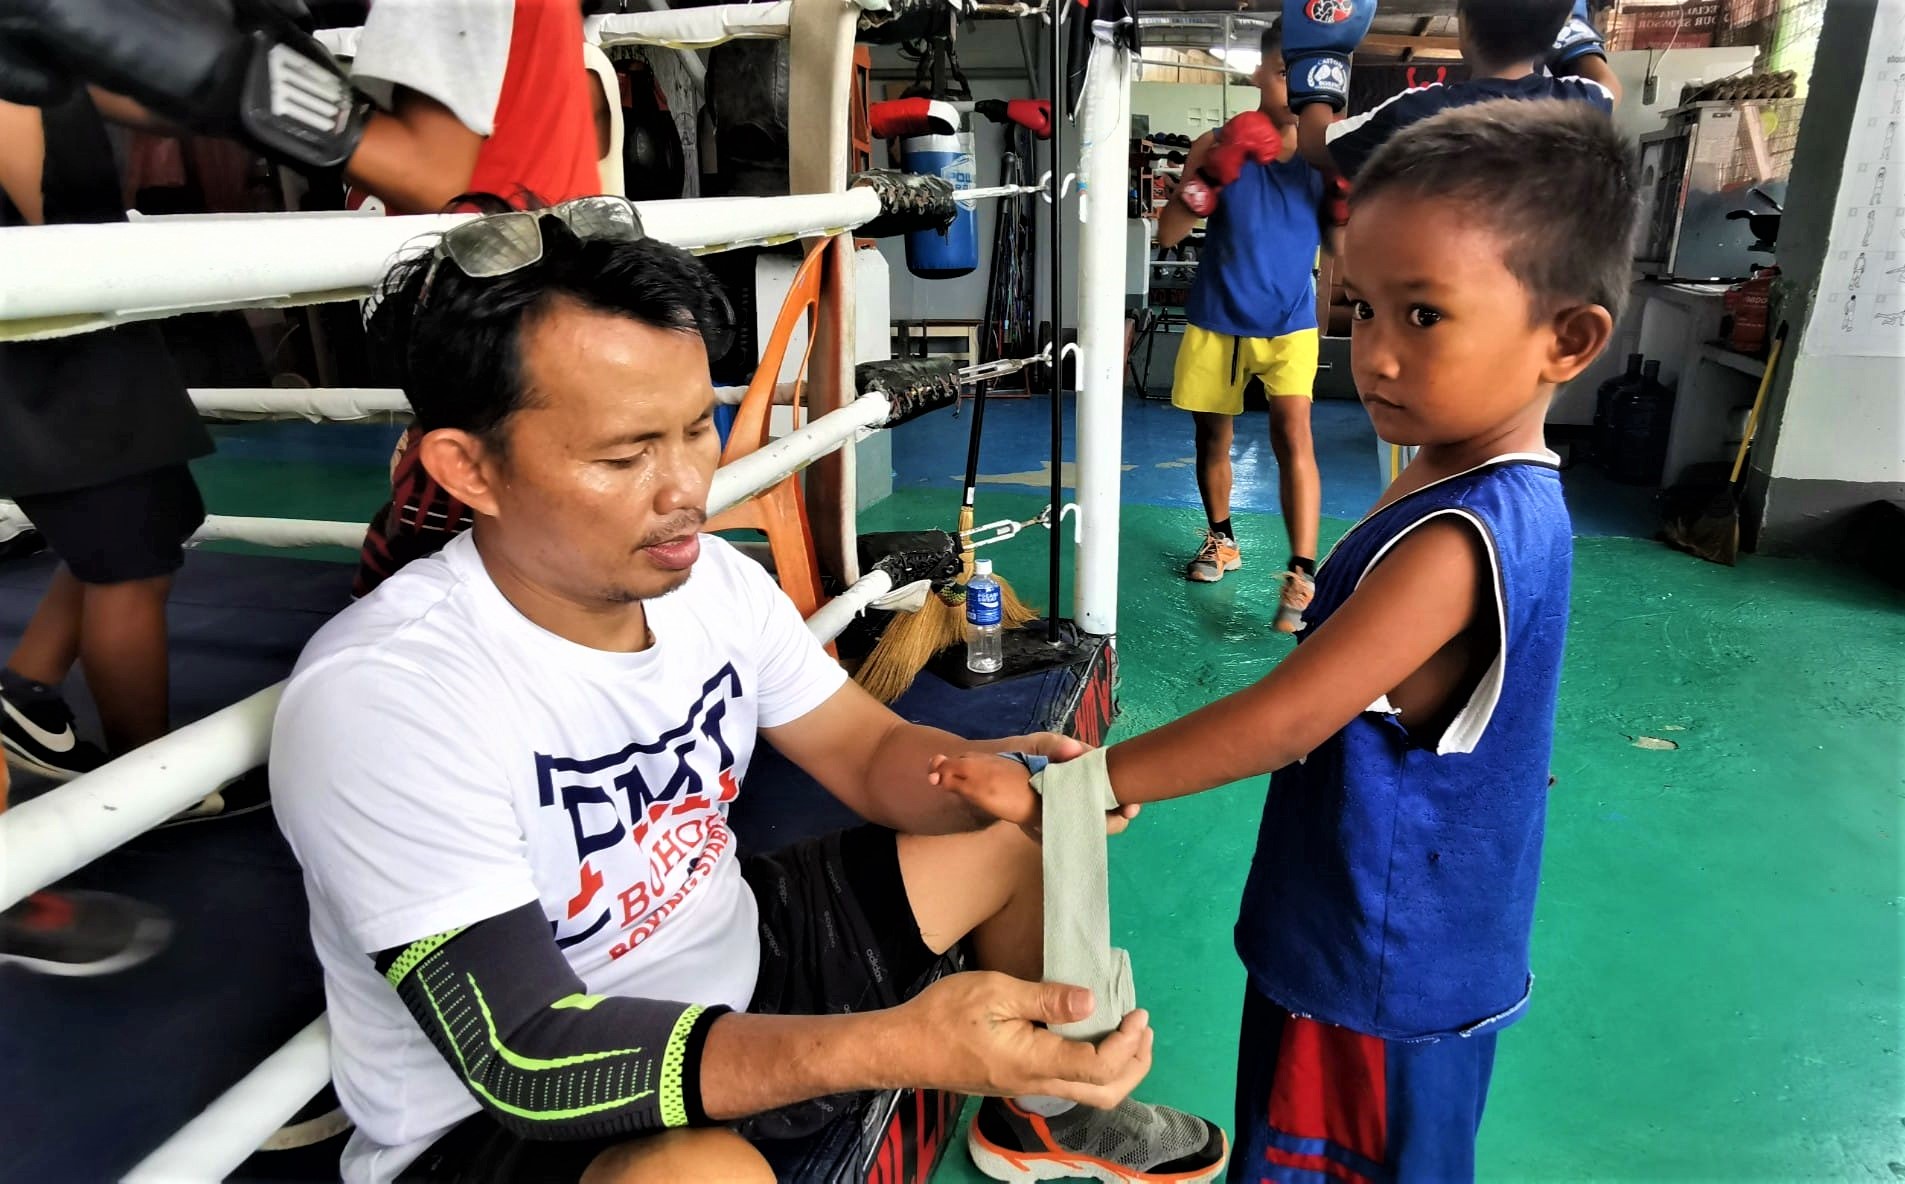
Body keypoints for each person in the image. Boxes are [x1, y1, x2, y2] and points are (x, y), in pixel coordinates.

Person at [269, 200, 1229, 1184]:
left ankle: (1046, 1115)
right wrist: (902, 1040)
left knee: (1021, 832)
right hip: (515, 1114)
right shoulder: (385, 696)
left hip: (739, 964)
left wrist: (990, 774)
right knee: (698, 1175)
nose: (687, 486)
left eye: (697, 428)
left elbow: (861, 749)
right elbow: (525, 1052)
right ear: (468, 468)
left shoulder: (712, 583)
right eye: (625, 453)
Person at [932, 101, 1641, 1181]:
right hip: (1411, 939)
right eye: (1363, 307)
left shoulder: (1457, 538)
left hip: (1379, 964)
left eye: (1425, 316)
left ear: (1569, 341)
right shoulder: (1478, 482)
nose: (1379, 354)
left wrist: (1089, 783)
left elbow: (1290, 714)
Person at [342, 0, 607, 598]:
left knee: (430, 581)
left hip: (492, 305)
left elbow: (434, 170)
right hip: (562, 289)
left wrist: (233, 80)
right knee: (561, 570)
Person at [1159, 22, 1329, 632]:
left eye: (1308, 74)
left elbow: (1338, 242)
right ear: (1257, 72)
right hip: (1218, 316)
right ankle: (1222, 538)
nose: (1295, 86)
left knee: (1294, 436)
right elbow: (1169, 234)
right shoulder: (1215, 140)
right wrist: (1207, 179)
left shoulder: (1326, 152)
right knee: (1213, 440)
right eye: (1285, 71)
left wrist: (1342, 195)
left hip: (1289, 320)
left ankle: (1302, 572)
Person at [1319, 0, 1618, 181]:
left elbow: (1315, 143)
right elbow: (1608, 85)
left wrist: (1320, 50)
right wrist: (1567, 28)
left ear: (1464, 24)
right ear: (1560, 28)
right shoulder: (1585, 103)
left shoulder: (1418, 114)